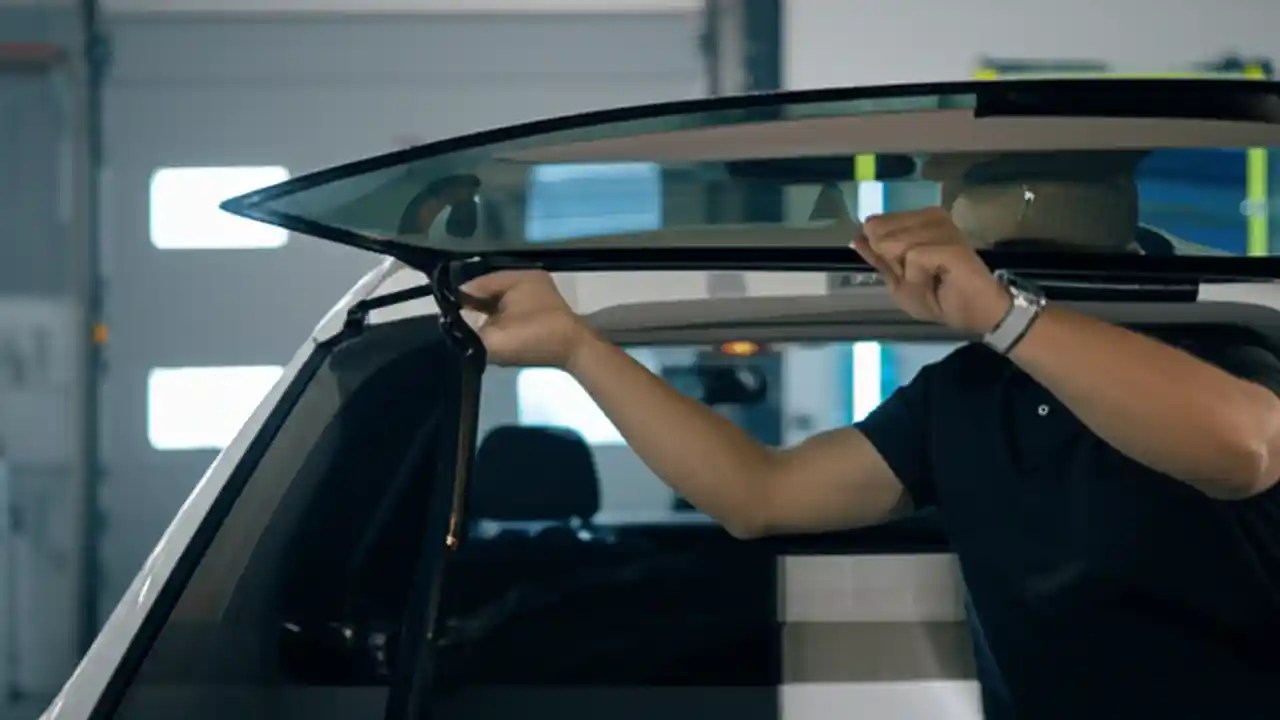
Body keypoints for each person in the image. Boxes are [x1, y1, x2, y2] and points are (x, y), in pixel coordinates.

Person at [461, 154, 1280, 719]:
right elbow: (760, 495)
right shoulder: (963, 394)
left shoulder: (1223, 355)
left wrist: (1003, 315)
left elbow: (1244, 449)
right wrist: (576, 348)